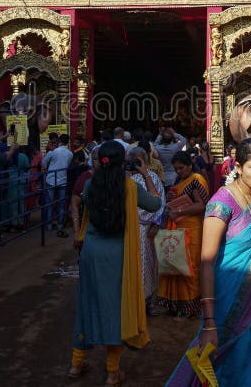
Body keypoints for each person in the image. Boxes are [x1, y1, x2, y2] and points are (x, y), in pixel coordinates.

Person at [166, 138, 251, 386]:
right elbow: (207, 263)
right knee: (230, 370)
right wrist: (210, 323)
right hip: (229, 303)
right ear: (239, 166)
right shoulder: (221, 204)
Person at [67, 141, 161, 385]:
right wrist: (144, 174)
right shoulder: (130, 186)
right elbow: (155, 203)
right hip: (118, 253)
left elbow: (81, 201)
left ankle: (76, 364)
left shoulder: (90, 184)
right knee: (114, 310)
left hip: (92, 251)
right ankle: (112, 372)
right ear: (123, 162)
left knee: (87, 303)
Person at [157, 151, 209, 319]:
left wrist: (178, 210)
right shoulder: (180, 180)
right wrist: (171, 197)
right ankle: (175, 304)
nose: (178, 171)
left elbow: (201, 205)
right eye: (176, 169)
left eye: (181, 168)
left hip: (192, 229)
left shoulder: (196, 180)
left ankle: (190, 307)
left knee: (189, 267)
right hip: (178, 227)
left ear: (189, 166)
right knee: (175, 266)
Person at [127, 145, 166, 315]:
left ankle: (147, 302)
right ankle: (133, 303)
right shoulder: (126, 179)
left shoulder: (153, 179)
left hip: (147, 229)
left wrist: (156, 224)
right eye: (133, 160)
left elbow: (160, 202)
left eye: (139, 160)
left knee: (148, 266)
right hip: (129, 228)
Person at [41, 133, 73, 236]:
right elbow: (67, 165)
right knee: (61, 205)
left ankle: (49, 225)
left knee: (50, 204)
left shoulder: (53, 152)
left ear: (59, 141)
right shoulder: (70, 154)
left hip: (51, 179)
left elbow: (43, 162)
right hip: (63, 181)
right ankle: (60, 225)